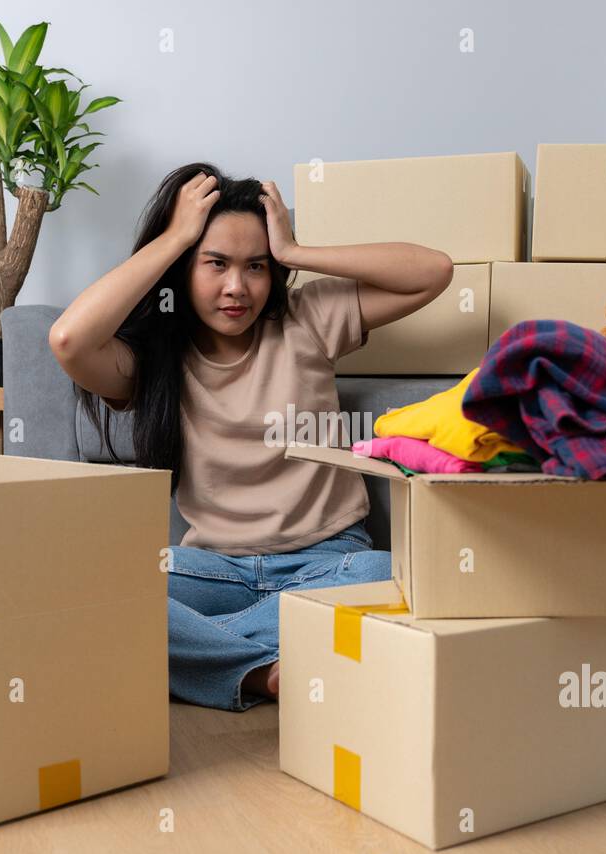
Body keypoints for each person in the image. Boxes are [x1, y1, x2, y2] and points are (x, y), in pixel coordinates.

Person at [50, 162, 453, 711]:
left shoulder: (307, 320)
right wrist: (176, 235)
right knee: (92, 584)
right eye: (215, 263)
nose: (237, 287)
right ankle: (270, 666)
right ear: (183, 267)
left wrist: (295, 252)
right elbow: (70, 340)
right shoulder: (154, 361)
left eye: (256, 267)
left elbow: (433, 270)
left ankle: (208, 653)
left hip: (331, 564)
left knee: (395, 577)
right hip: (212, 570)